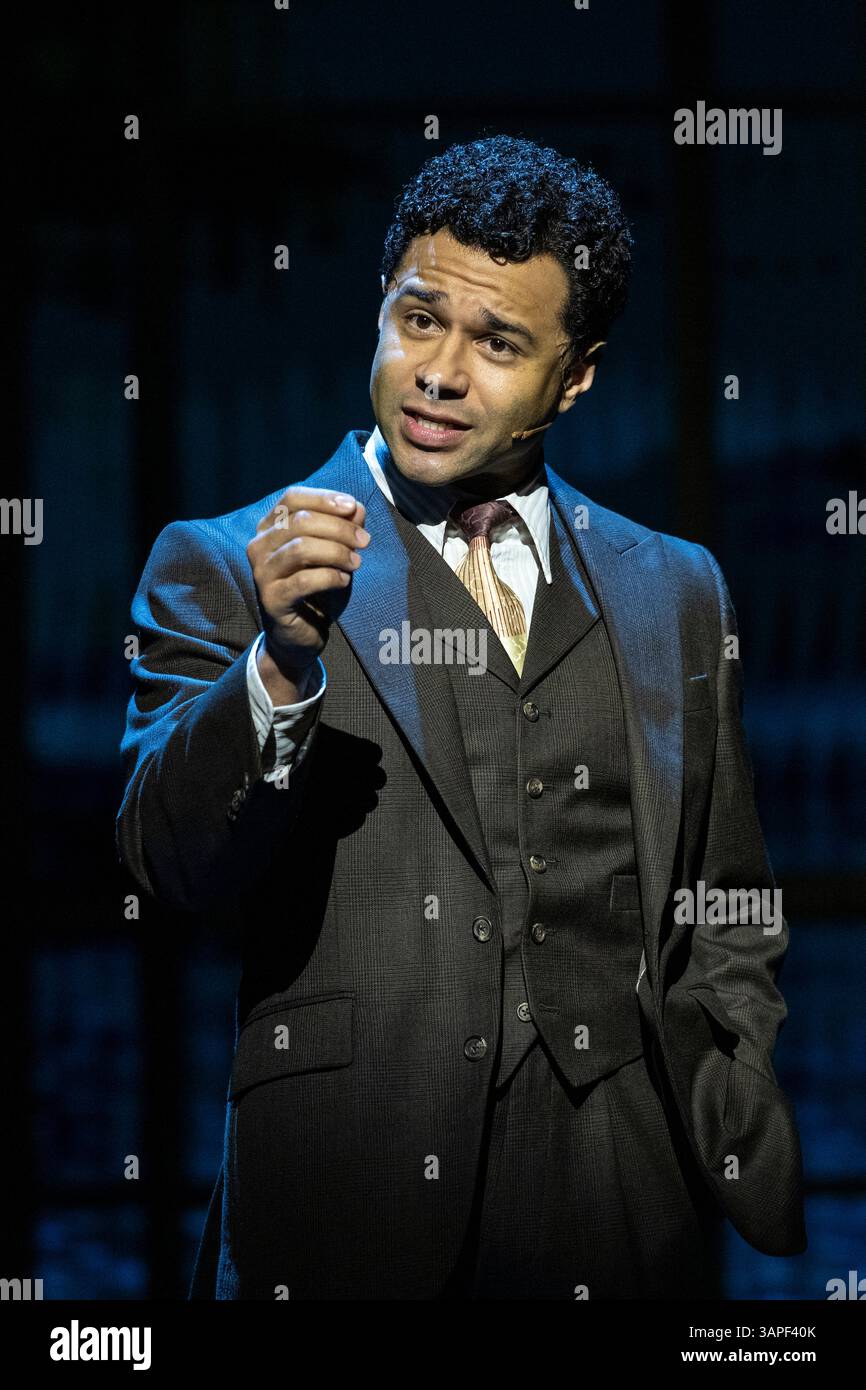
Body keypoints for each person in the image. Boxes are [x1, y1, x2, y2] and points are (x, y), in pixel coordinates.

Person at [116, 134, 806, 1300]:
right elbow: (167, 864)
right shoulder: (229, 562)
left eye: (496, 343)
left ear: (574, 375)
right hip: (346, 1196)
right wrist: (279, 668)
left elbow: (720, 891)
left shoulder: (673, 588)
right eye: (418, 318)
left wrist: (725, 1091)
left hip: (622, 1200)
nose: (438, 371)